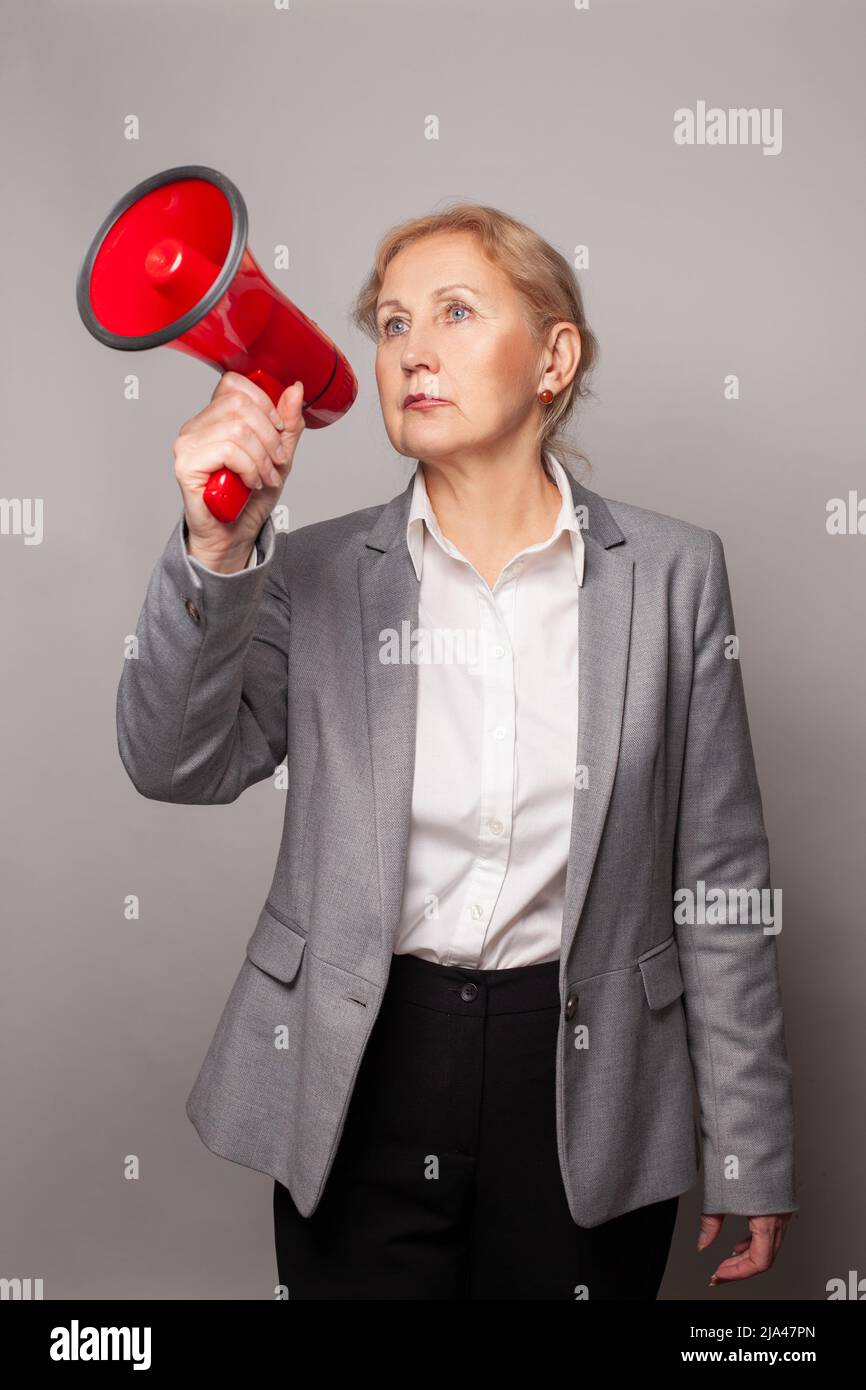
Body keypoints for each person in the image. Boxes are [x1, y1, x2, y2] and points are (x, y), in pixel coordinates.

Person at [116, 202, 798, 1300]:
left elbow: (717, 880)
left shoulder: (672, 576)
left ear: (552, 357)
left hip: (587, 1081)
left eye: (454, 312)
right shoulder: (316, 571)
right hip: (361, 1067)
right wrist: (215, 545)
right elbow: (172, 761)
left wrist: (747, 1143)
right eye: (389, 325)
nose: (411, 351)